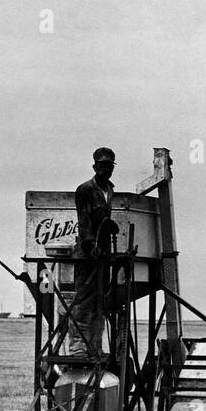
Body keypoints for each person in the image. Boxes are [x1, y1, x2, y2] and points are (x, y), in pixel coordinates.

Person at [70, 147, 118, 361]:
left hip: (103, 257)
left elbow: (101, 219)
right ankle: (78, 347)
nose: (105, 169)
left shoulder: (110, 189)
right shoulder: (85, 190)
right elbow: (84, 222)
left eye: (109, 166)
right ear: (94, 167)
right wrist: (90, 246)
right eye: (101, 165)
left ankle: (95, 347)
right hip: (88, 257)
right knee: (83, 303)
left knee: (101, 304)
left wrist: (110, 226)